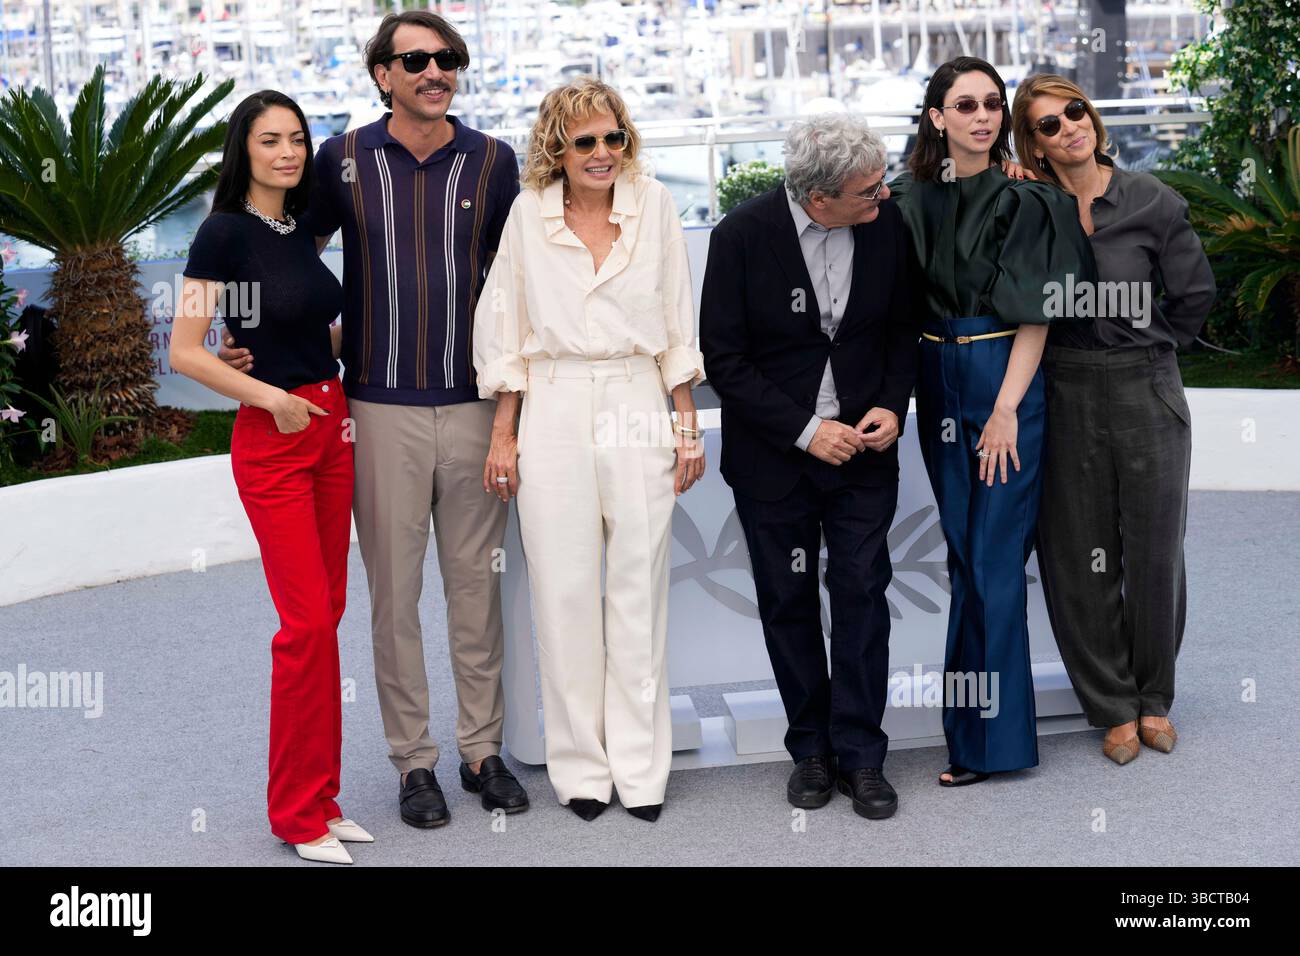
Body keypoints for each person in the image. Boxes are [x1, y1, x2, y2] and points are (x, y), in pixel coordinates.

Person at [218, 11, 529, 826]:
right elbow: (280, 249)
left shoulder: (495, 161)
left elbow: (521, 281)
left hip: (472, 404)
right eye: (417, 59)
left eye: (449, 59)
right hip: (374, 411)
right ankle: (413, 764)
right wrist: (242, 335)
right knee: (393, 598)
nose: (437, 71)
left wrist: (513, 409)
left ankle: (481, 751)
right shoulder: (342, 160)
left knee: (476, 593)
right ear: (383, 74)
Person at [473, 77, 706, 822]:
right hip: (555, 400)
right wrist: (504, 433)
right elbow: (505, 327)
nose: (603, 153)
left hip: (639, 395)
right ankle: (580, 767)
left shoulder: (656, 205)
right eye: (585, 142)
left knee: (639, 588)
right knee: (564, 591)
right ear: (557, 149)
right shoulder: (526, 215)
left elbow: (677, 318)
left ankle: (641, 769)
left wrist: (685, 419)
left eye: (613, 139)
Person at [700, 114, 918, 820]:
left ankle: (862, 755)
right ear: (818, 198)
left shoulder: (887, 224)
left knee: (861, 593)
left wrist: (890, 403)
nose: (882, 197)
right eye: (866, 190)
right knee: (788, 602)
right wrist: (804, 431)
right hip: (775, 461)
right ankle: (812, 752)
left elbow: (902, 330)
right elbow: (724, 360)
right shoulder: (741, 236)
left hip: (864, 454)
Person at [172, 91, 370, 864]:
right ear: (242, 150)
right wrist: (269, 397)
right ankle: (294, 815)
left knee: (329, 613)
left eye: (296, 139)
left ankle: (323, 798)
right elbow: (186, 350)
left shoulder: (296, 230)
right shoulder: (221, 233)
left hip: (333, 425)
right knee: (306, 628)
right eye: (269, 141)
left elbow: (299, 324)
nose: (287, 153)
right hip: (278, 439)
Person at [888, 56, 1097, 786]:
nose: (982, 116)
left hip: (1002, 377)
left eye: (992, 104)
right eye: (966, 104)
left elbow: (1039, 314)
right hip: (936, 382)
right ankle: (969, 734)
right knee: (964, 559)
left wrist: (1007, 409)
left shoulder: (1029, 201)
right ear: (937, 117)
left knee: (994, 560)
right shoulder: (905, 198)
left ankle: (995, 744)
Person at [1012, 74, 1215, 764]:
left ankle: (1154, 697)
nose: (1070, 125)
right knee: (1076, 553)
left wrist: (1151, 344)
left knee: (1155, 551)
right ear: (1035, 147)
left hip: (1144, 387)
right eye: (1049, 123)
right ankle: (1110, 705)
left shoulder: (1151, 200)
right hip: (1063, 390)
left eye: (1076, 111)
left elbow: (1195, 294)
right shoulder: (1032, 207)